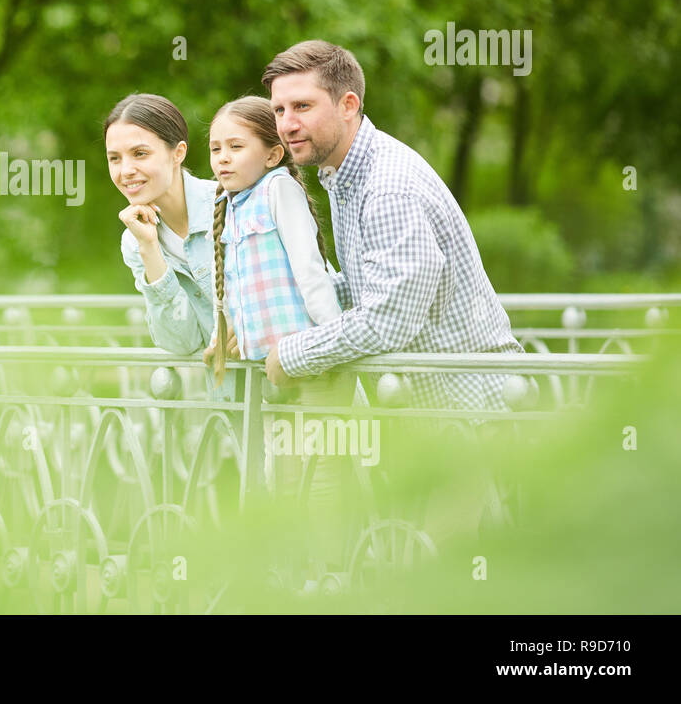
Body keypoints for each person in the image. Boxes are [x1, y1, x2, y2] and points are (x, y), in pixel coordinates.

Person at [260, 39, 524, 547]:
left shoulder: (387, 187)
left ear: (348, 104)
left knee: (434, 578)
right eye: (279, 109)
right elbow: (363, 288)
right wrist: (266, 321)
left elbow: (389, 318)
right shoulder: (344, 174)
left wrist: (293, 353)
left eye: (302, 106)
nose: (287, 123)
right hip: (422, 414)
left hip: (461, 414)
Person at [207, 94, 354, 583]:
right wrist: (226, 331)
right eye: (215, 149)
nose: (222, 158)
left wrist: (334, 344)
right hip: (274, 369)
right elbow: (240, 288)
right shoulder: (229, 205)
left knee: (323, 474)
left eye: (235, 146)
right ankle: (293, 576)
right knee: (283, 472)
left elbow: (310, 273)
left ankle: (331, 573)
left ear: (272, 155)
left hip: (311, 359)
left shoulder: (277, 192)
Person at [106, 93, 236, 392]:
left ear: (178, 153)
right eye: (115, 158)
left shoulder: (232, 201)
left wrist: (255, 328)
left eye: (140, 154)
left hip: (298, 392)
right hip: (232, 407)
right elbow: (181, 341)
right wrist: (150, 248)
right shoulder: (135, 239)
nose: (125, 171)